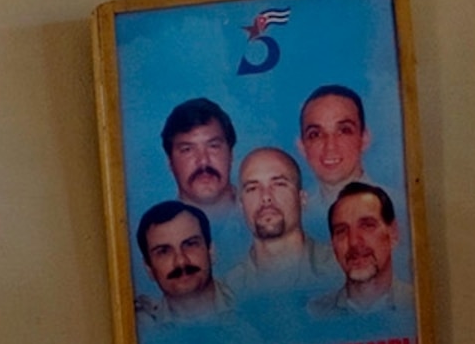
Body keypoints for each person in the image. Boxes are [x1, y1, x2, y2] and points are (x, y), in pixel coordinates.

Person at [223, 148, 328, 298]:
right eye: (252, 188)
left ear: (302, 199)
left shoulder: (340, 271)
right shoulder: (228, 293)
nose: (266, 197)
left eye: (279, 184)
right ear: (241, 205)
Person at [309, 181, 412, 318]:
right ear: (333, 244)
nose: (354, 242)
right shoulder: (314, 314)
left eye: (367, 226)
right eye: (342, 231)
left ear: (393, 234)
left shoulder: (417, 304)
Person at [159, 98, 243, 253]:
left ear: (231, 154)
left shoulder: (265, 218)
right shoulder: (158, 237)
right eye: (187, 150)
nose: (203, 161)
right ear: (170, 162)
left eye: (213, 146)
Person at [132, 200, 233, 324]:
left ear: (211, 251)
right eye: (164, 251)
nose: (181, 261)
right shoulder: (139, 326)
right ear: (149, 268)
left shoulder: (250, 303)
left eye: (190, 244)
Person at [297, 83, 372, 218]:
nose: (330, 146)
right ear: (302, 147)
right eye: (315, 134)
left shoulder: (399, 206)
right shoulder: (300, 216)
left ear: (364, 139)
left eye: (344, 130)